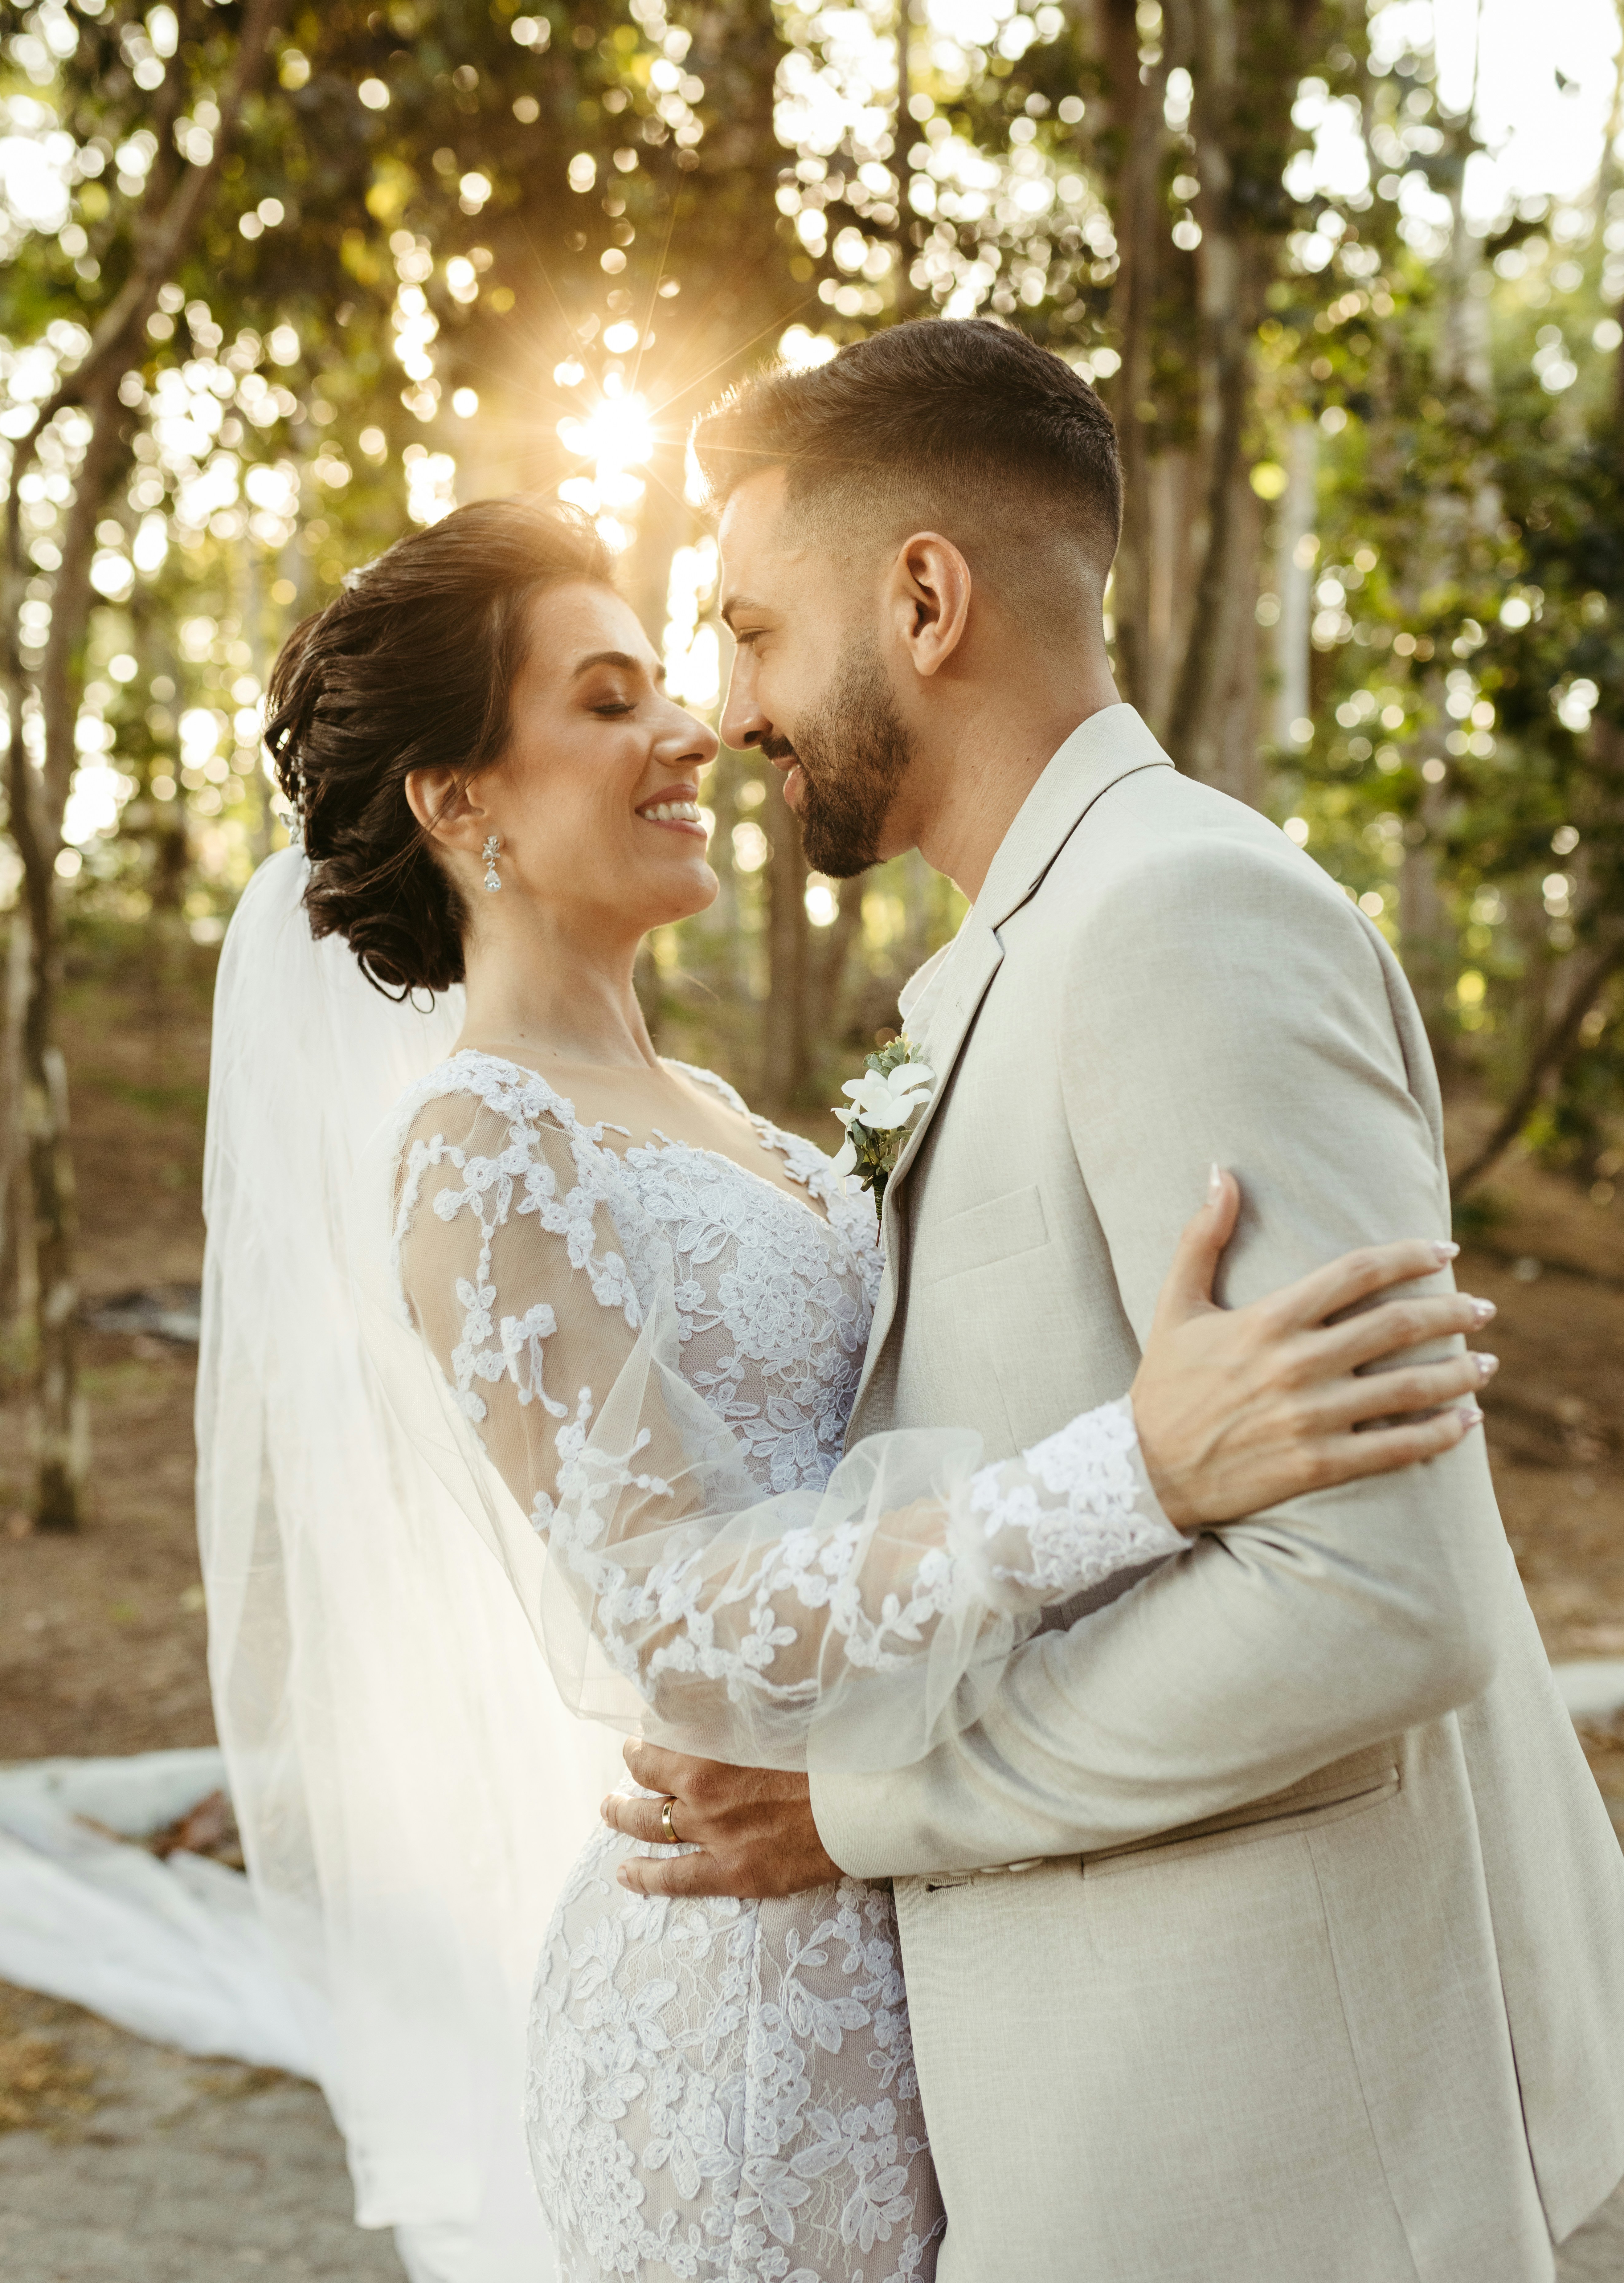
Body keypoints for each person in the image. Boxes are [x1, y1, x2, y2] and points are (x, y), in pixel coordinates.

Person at [246, 488, 1497, 2283]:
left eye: (677, 679)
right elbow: (670, 1618)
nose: (691, 727)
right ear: (460, 802)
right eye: (606, 702)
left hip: (949, 1936)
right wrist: (1129, 1471)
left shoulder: (730, 1125)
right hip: (753, 2028)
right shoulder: (477, 1153)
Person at [599, 318, 1624, 2283]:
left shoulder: (1178, 918)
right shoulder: (1031, 944)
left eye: (749, 628)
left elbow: (1365, 1599)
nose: (731, 711)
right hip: (1102, 2119)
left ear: (921, 597)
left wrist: (863, 1807)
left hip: (1272, 2135)